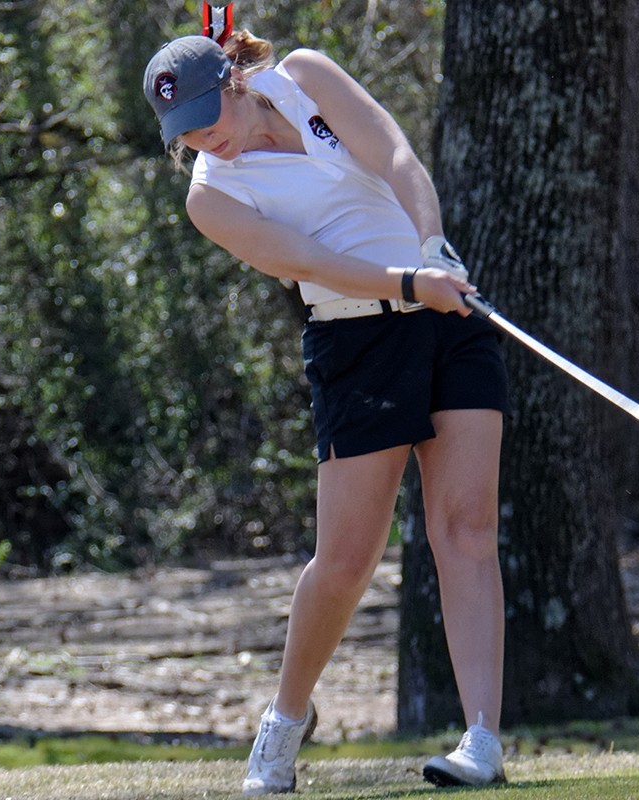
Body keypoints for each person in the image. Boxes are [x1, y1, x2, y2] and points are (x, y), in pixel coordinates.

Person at [141, 17, 509, 795]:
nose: (206, 144)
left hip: (447, 320)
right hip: (356, 345)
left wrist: (433, 242)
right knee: (345, 562)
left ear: (233, 82)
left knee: (466, 529)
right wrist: (411, 283)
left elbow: (395, 156)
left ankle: (482, 740)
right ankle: (284, 721)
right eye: (187, 137)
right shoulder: (210, 200)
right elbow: (312, 262)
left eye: (209, 122)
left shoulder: (306, 74)